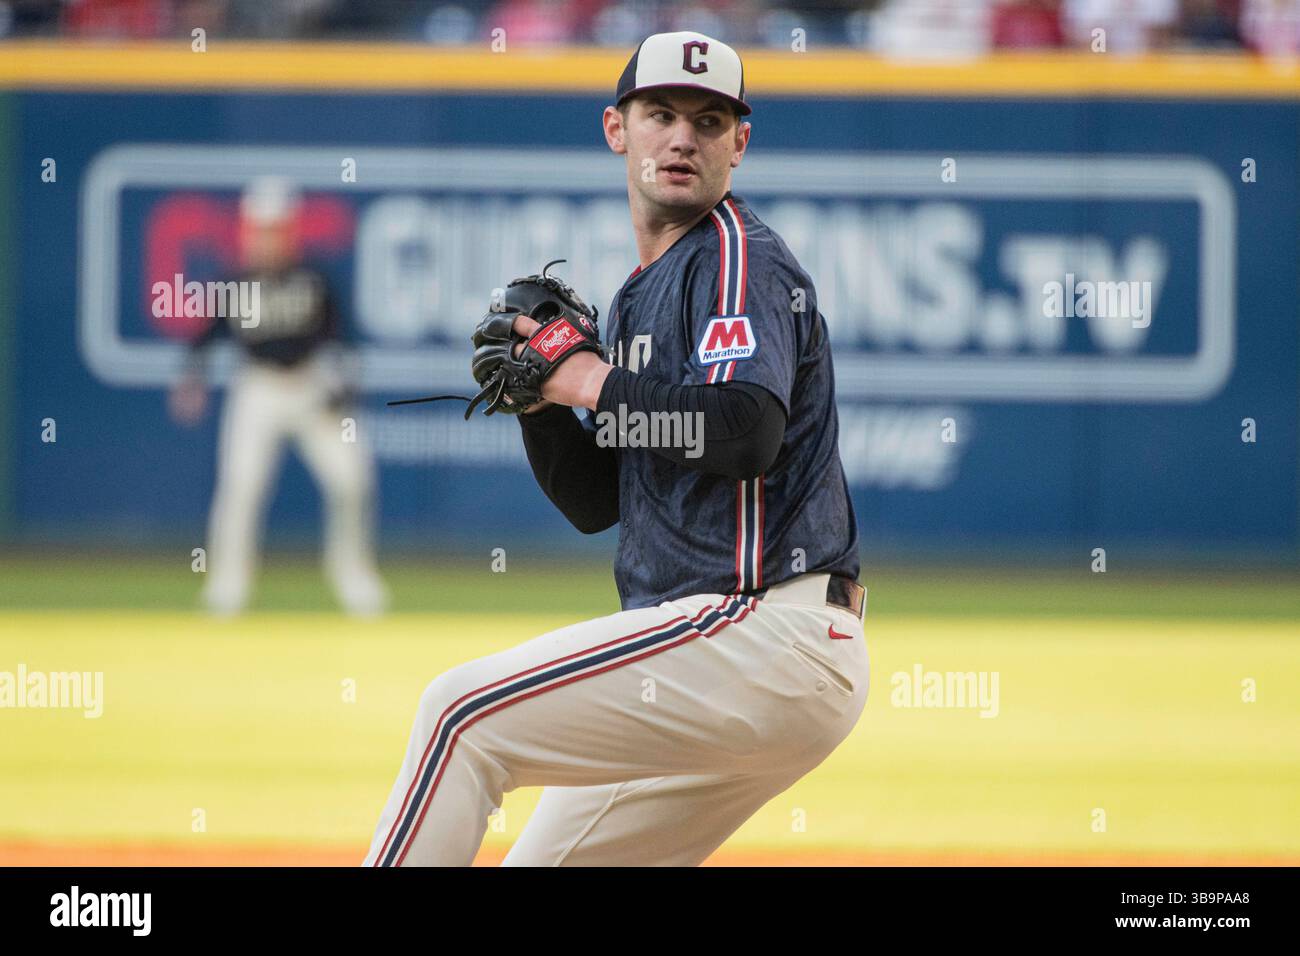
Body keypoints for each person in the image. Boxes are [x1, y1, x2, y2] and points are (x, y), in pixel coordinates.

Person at [364, 31, 867, 867]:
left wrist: (587, 380)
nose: (682, 137)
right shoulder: (641, 295)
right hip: (718, 663)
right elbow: (601, 502)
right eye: (660, 113)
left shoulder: (734, 254)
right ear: (616, 128)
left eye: (709, 121)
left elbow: (746, 433)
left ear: (739, 144)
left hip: (761, 633)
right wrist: (539, 401)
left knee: (458, 718)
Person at [169, 177, 388, 618]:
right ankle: (227, 587)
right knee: (241, 486)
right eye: (261, 228)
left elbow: (341, 340)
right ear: (249, 231)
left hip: (309, 384)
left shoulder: (313, 277)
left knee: (351, 481)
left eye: (277, 228)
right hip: (258, 388)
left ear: (290, 230)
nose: (269, 237)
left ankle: (353, 577)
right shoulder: (235, 282)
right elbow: (205, 338)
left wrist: (343, 381)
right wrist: (190, 382)